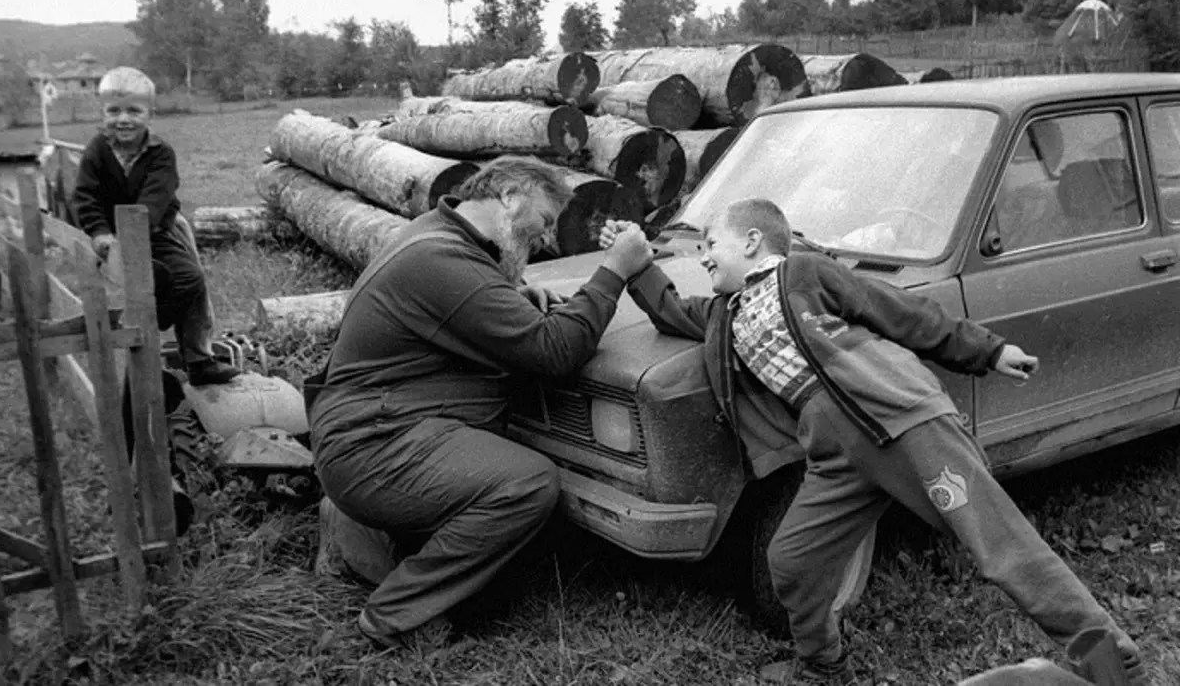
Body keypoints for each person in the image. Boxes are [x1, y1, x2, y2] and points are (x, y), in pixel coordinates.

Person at [600, 199, 1144, 685]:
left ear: (751, 241)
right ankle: (823, 662)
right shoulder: (724, 315)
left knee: (1002, 549)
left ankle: (1114, 664)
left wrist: (986, 351)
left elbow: (897, 311)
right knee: (790, 559)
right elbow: (670, 309)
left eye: (710, 244)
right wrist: (636, 265)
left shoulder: (804, 274)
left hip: (905, 423)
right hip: (836, 457)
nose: (703, 258)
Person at [307, 156, 654, 648]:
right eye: (544, 221)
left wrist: (512, 293)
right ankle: (394, 615)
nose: (545, 238)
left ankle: (365, 535)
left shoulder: (440, 235)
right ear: (509, 196)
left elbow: (478, 300)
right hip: (373, 444)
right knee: (526, 484)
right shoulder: (443, 262)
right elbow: (554, 351)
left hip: (379, 428)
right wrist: (615, 269)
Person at [70, 66, 239, 386]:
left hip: (159, 229)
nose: (124, 119)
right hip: (113, 236)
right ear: (102, 112)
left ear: (150, 113)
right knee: (145, 282)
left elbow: (154, 202)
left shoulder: (160, 153)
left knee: (192, 281)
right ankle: (144, 350)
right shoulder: (97, 152)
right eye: (114, 111)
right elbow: (85, 195)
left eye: (134, 111)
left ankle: (199, 359)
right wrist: (100, 231)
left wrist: (131, 237)